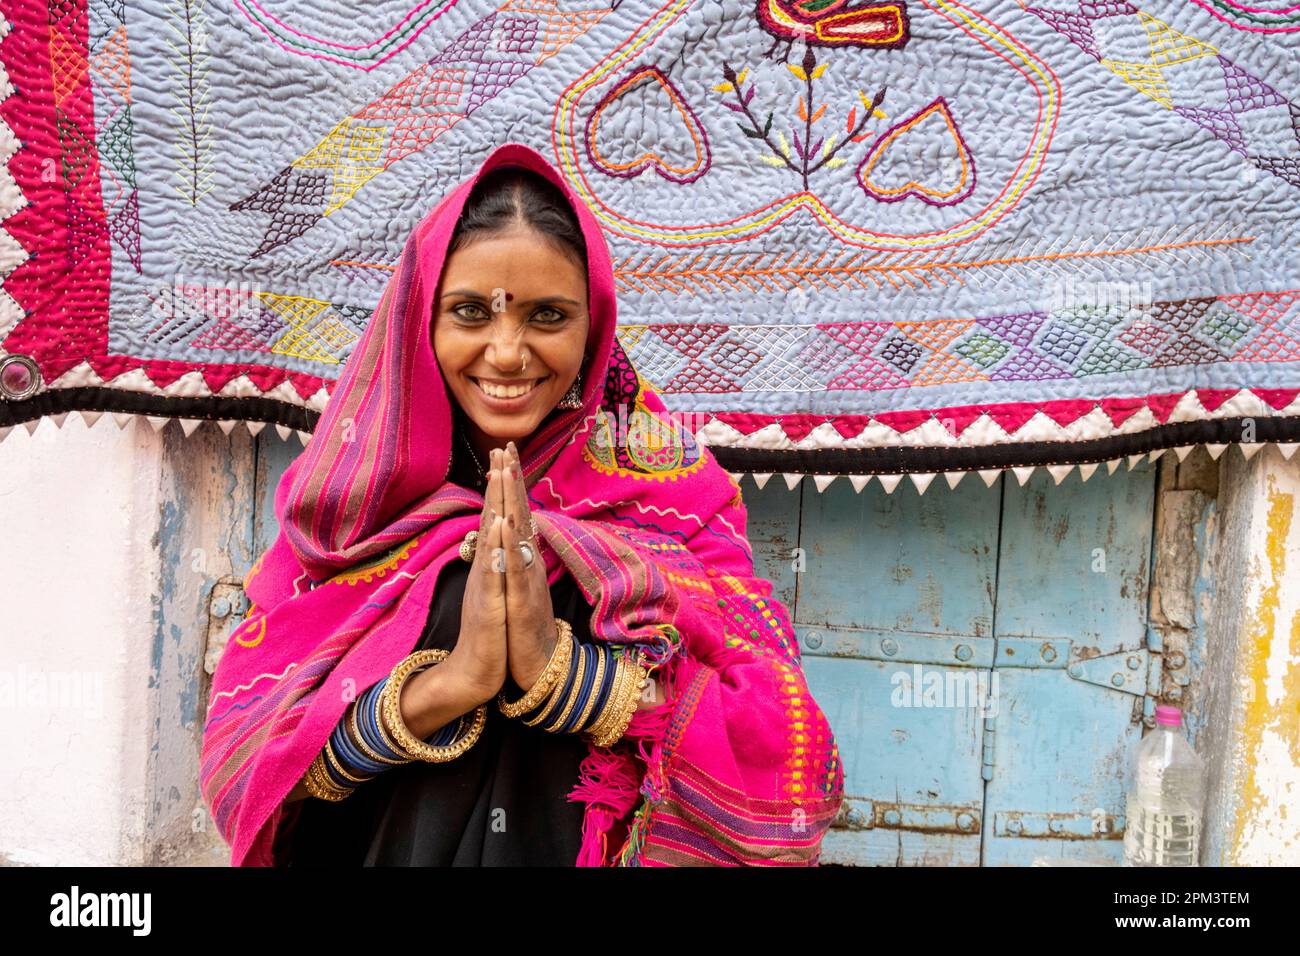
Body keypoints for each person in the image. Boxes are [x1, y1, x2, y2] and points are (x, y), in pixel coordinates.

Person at [199, 142, 845, 866]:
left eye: (548, 316)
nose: (507, 353)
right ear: (421, 320)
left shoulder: (673, 488)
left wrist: (564, 673)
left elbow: (789, 763)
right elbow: (257, 777)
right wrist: (449, 685)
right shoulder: (348, 501)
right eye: (472, 312)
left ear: (593, 325)